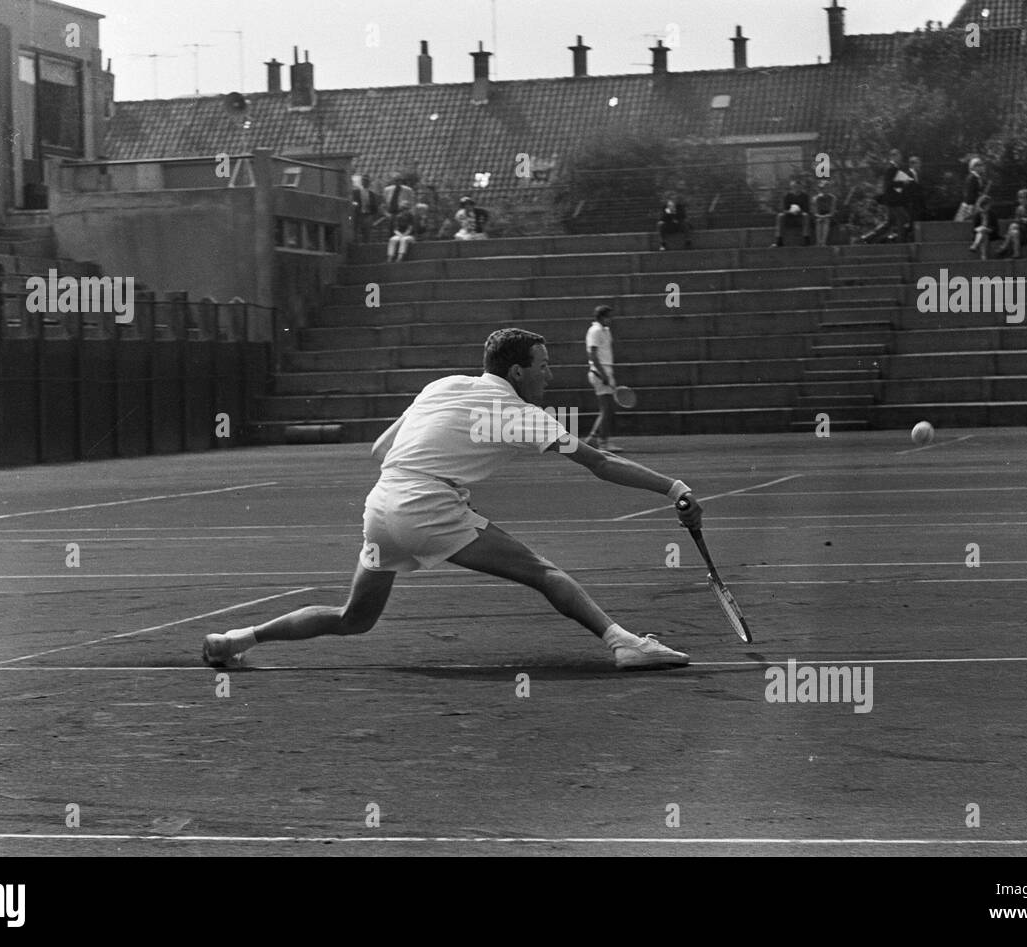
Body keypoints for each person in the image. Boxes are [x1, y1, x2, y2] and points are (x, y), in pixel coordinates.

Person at [201, 328, 702, 672]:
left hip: (381, 506)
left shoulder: (440, 385)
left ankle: (235, 640)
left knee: (354, 618)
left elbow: (380, 449)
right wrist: (675, 488)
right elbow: (603, 464)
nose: (550, 376)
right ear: (516, 373)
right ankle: (624, 644)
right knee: (543, 572)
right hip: (427, 505)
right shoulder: (522, 414)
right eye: (543, 367)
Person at [583, 305, 622, 453]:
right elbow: (592, 355)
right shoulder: (595, 330)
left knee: (607, 409)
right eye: (608, 317)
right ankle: (602, 443)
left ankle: (593, 439)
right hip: (600, 373)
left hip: (606, 371)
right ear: (601, 317)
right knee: (607, 409)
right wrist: (603, 374)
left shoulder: (605, 330)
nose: (610, 320)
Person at [997, 189, 1027, 259]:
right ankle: (1017, 254)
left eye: (1024, 198)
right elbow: (1017, 220)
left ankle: (1004, 246)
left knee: (1013, 226)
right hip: (1020, 231)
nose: (1022, 200)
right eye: (1020, 198)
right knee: (1015, 232)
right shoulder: (1019, 208)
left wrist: (1022, 220)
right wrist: (1023, 220)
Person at [771, 176, 810, 247]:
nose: (797, 188)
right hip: (789, 217)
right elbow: (783, 209)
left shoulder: (805, 196)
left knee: (806, 215)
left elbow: (807, 209)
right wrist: (790, 211)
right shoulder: (787, 196)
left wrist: (799, 211)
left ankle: (806, 238)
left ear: (801, 187)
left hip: (800, 217)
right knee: (780, 216)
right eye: (795, 187)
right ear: (792, 187)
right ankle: (779, 240)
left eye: (798, 187)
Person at [954, 157, 986, 222]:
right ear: (973, 167)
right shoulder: (972, 178)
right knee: (963, 225)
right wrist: (973, 207)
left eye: (982, 164)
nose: (982, 166)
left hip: (971, 206)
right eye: (979, 165)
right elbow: (969, 194)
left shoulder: (976, 178)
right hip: (969, 207)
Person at [351, 174, 380, 243]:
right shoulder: (356, 192)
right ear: (362, 182)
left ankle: (366, 246)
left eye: (367, 181)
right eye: (364, 181)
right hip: (358, 215)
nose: (365, 182)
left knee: (367, 233)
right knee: (356, 232)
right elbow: (353, 202)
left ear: (369, 183)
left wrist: (373, 215)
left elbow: (375, 206)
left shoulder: (372, 194)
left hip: (368, 215)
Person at [969, 194, 999, 260]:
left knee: (983, 232)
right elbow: (974, 228)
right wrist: (981, 229)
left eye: (988, 205)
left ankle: (975, 245)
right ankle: (984, 256)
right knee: (983, 234)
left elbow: (996, 228)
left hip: (991, 234)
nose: (987, 206)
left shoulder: (992, 214)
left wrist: (988, 229)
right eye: (985, 205)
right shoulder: (977, 215)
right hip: (980, 234)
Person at [812, 178, 837, 247]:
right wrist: (820, 217)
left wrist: (825, 216)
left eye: (827, 188)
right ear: (821, 189)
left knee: (826, 221)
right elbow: (815, 212)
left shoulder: (833, 198)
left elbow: (832, 212)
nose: (825, 190)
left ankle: (823, 242)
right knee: (819, 221)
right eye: (823, 188)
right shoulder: (816, 198)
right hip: (819, 216)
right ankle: (818, 242)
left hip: (829, 217)